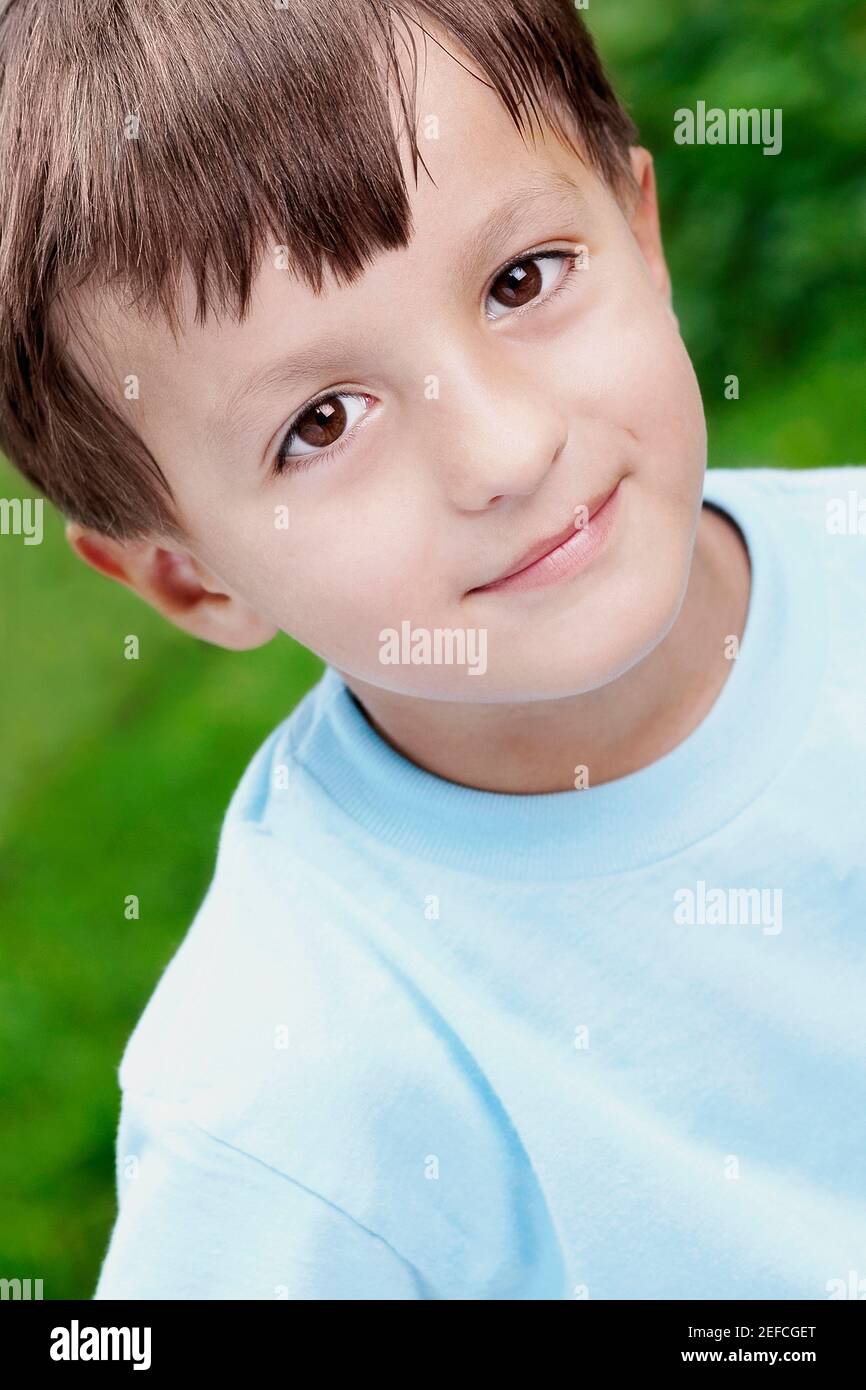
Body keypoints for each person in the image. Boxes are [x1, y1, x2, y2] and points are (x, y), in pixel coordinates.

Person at [1, 0, 863, 1299]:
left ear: (640, 230)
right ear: (187, 576)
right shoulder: (283, 1111)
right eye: (322, 421)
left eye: (521, 280)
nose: (504, 451)